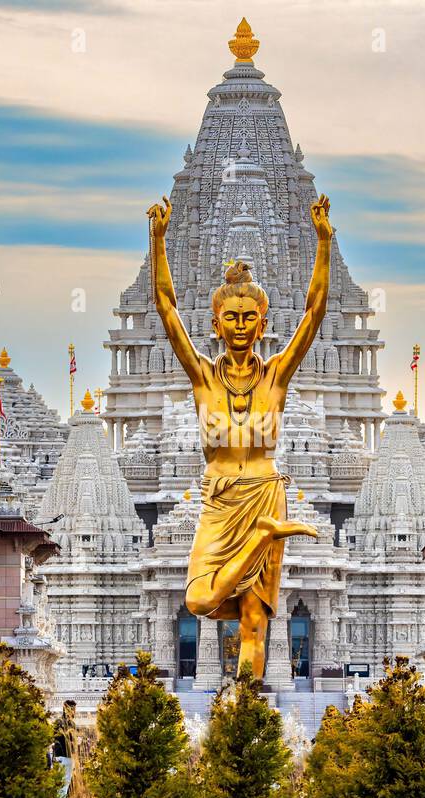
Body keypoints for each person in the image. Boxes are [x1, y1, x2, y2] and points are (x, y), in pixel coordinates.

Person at [145, 193, 333, 680]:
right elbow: (165, 308)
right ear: (216, 323)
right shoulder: (203, 378)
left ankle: (245, 711)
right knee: (200, 597)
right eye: (231, 317)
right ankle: (261, 542)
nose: (241, 326)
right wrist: (158, 240)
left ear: (264, 323)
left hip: (265, 493)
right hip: (220, 499)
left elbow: (313, 314)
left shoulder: (276, 377)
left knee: (255, 618)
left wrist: (323, 243)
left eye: (251, 317)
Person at [51, 700, 78, 798]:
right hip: (64, 757)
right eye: (73, 709)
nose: (75, 712)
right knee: (64, 782)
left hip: (62, 757)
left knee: (62, 782)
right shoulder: (66, 723)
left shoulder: (61, 722)